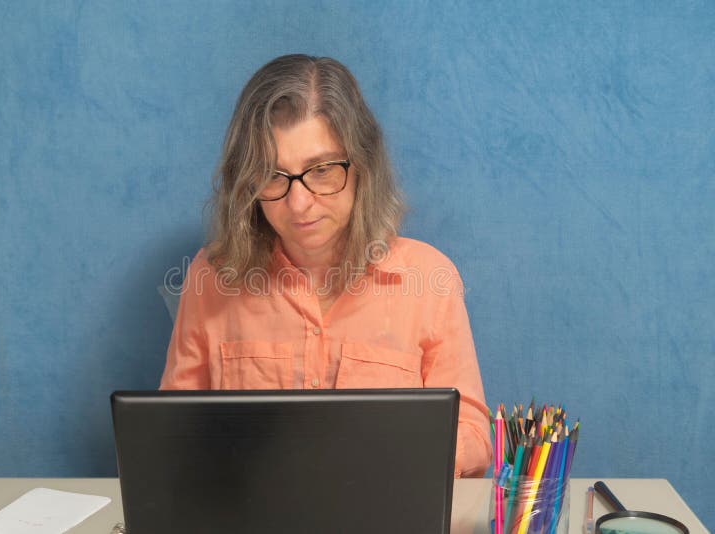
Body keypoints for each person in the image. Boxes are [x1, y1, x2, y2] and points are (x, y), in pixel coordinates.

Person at [160, 54, 491, 477]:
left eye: (321, 170)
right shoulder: (210, 275)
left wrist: (397, 457)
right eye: (272, 175)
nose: (299, 203)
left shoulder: (429, 278)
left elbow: (473, 435)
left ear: (363, 166)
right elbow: (171, 433)